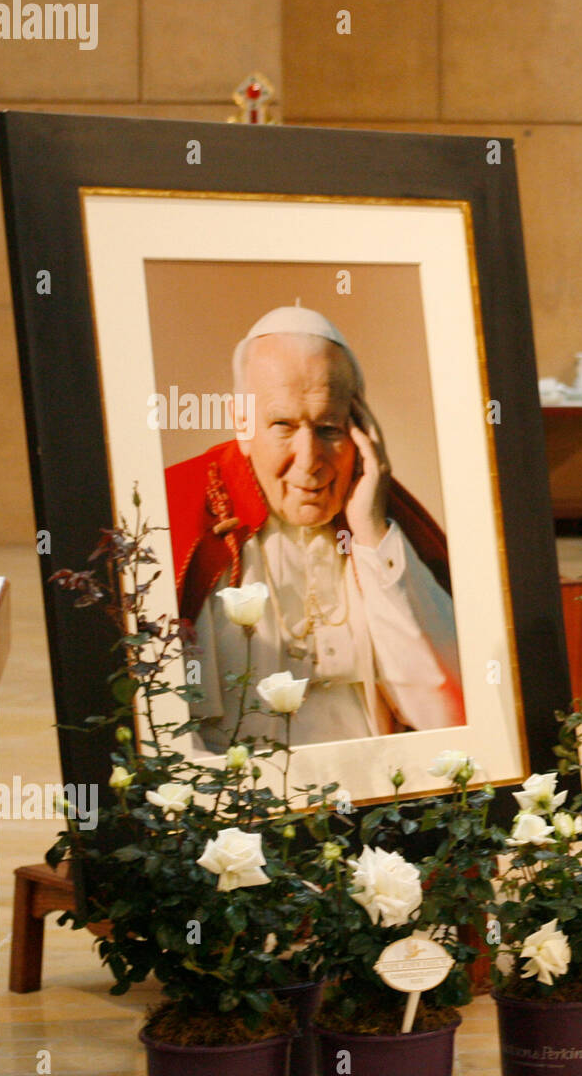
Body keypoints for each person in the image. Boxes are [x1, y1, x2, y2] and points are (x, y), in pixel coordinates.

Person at [166, 305, 465, 750]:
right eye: (283, 425)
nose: (309, 462)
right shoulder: (183, 509)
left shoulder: (386, 519)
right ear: (242, 422)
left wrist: (370, 532)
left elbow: (450, 708)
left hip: (379, 791)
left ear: (361, 428)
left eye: (328, 429)